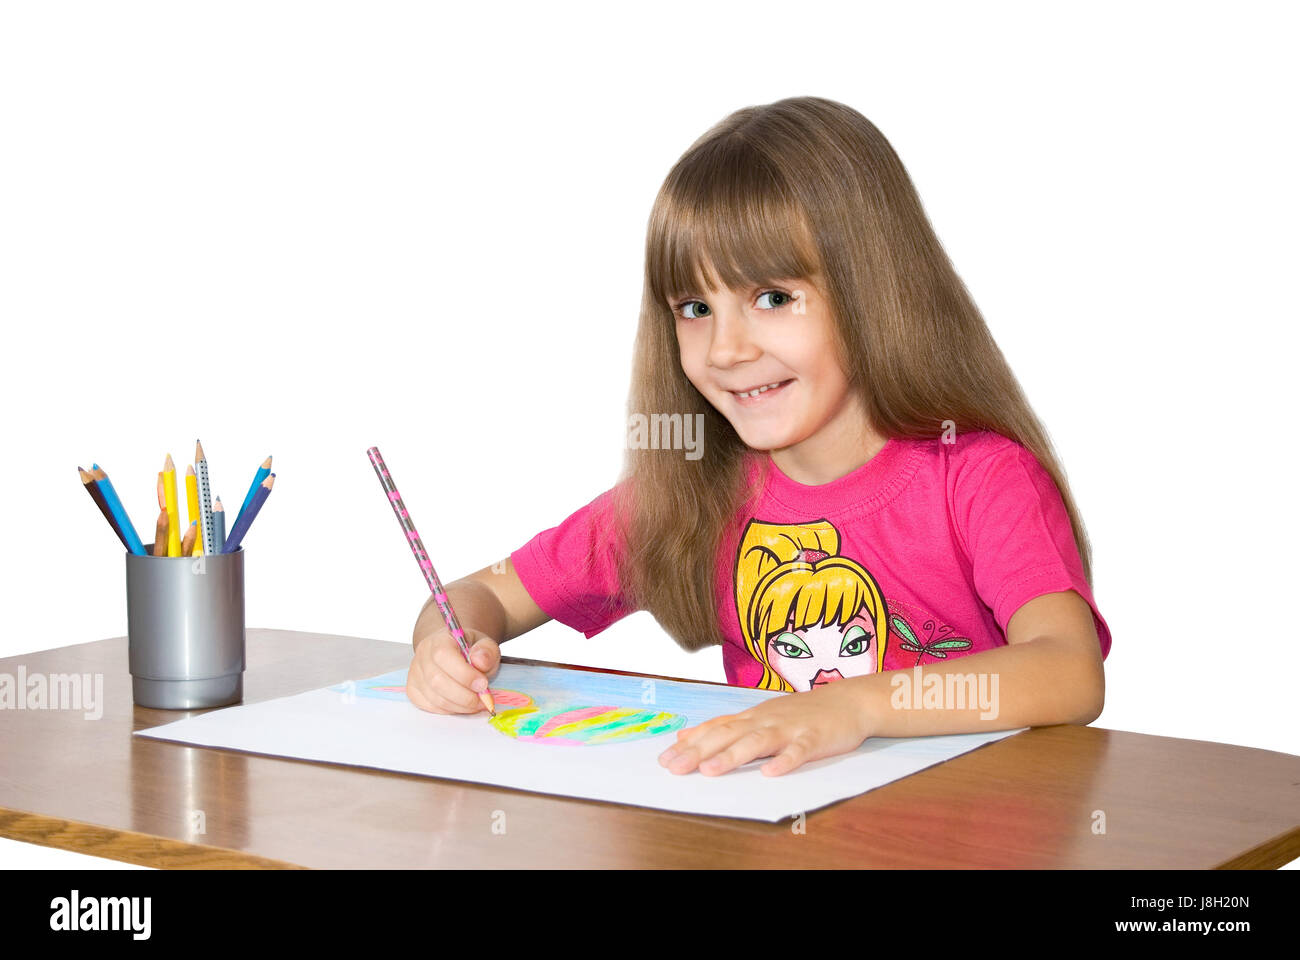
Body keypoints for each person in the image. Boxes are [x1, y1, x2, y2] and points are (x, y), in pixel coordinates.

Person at [408, 95, 1112, 777]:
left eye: (772, 298)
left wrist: (856, 706)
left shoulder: (979, 479)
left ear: (874, 290)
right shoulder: (692, 492)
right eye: (693, 307)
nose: (725, 349)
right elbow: (482, 595)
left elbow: (1067, 668)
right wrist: (447, 643)